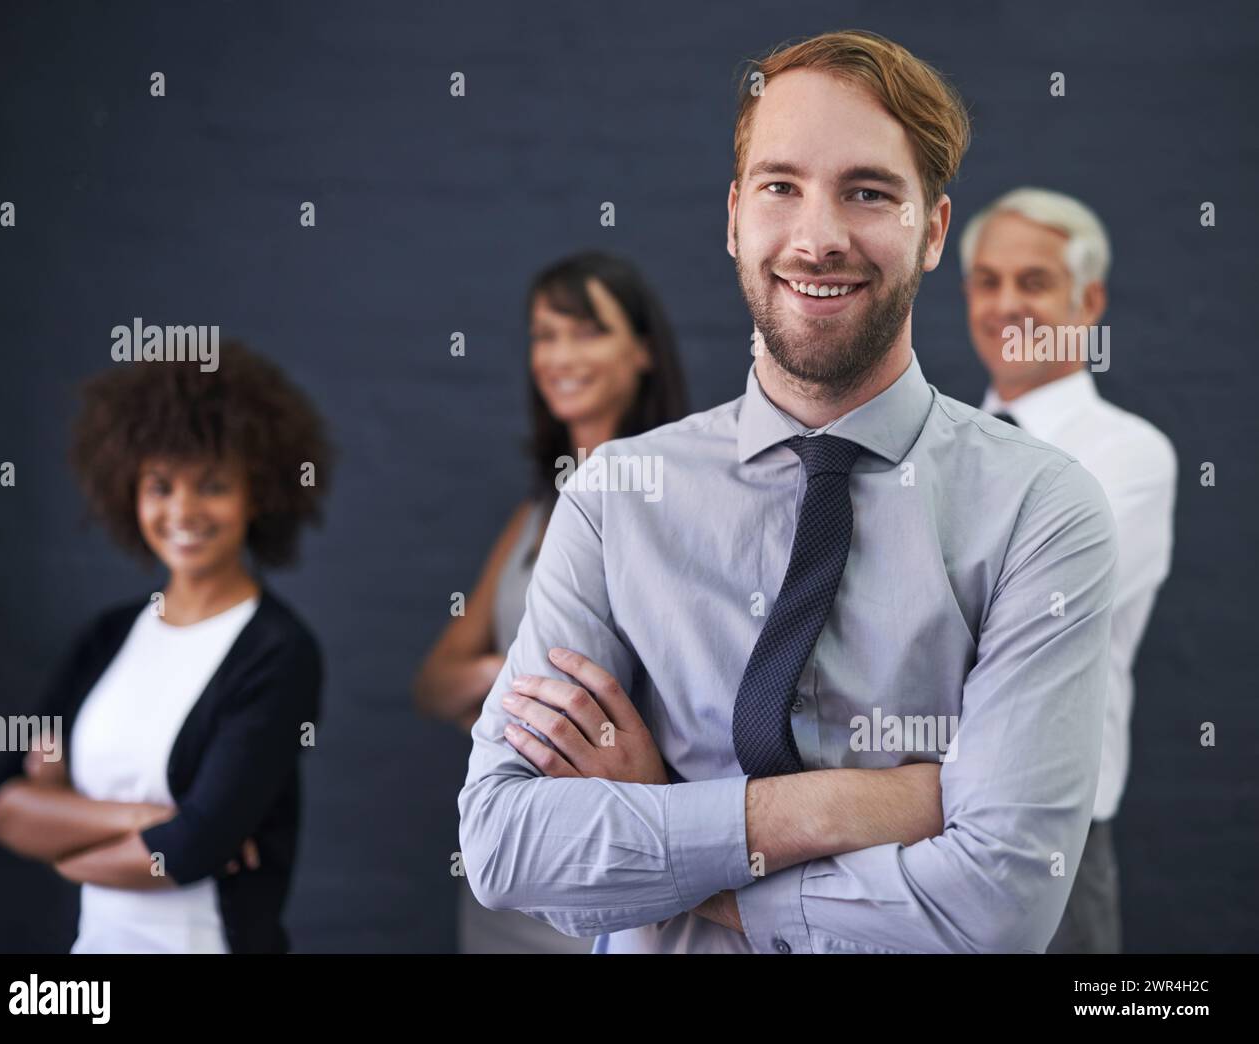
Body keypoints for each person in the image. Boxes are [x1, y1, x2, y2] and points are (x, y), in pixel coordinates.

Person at [458, 29, 1119, 954]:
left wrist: (672, 834)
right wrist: (849, 807)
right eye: (781, 187)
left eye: (868, 192)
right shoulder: (614, 500)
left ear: (930, 231)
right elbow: (506, 847)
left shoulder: (1040, 511)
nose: (818, 238)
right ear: (734, 217)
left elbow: (997, 909)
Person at [0, 341, 331, 954]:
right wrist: (146, 822)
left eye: (213, 485)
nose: (183, 511)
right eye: (160, 486)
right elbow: (4, 809)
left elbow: (189, 853)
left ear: (258, 494)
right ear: (129, 492)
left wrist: (63, 835)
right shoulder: (109, 637)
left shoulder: (277, 652)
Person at [415, 251, 689, 953]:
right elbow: (436, 682)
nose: (560, 355)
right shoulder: (535, 513)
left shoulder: (679, 503)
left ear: (643, 351)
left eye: (587, 330)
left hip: (607, 867)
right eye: (544, 334)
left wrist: (517, 689)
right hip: (507, 880)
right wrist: (520, 679)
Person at [960, 187, 1177, 953]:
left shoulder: (1131, 454)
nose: (1005, 304)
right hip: (922, 826)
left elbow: (1033, 616)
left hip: (1054, 833)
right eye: (987, 281)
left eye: (1034, 281)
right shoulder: (935, 448)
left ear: (1088, 302)